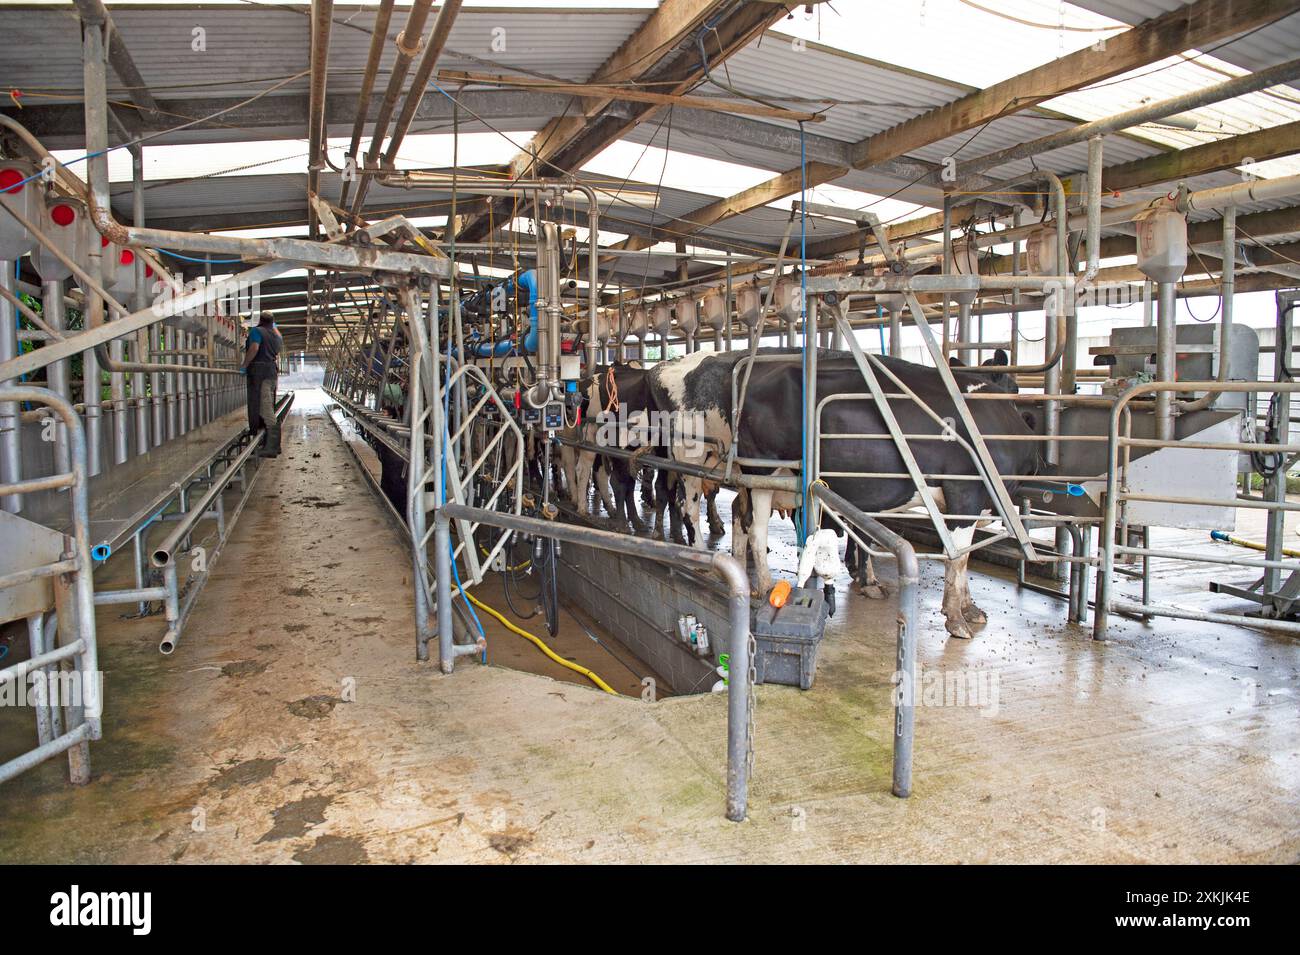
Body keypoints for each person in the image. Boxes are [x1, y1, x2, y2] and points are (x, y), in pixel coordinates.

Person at [239, 311, 283, 457]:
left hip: (260, 372)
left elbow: (254, 348)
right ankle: (269, 444)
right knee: (268, 404)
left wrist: (245, 364)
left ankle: (273, 447)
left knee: (264, 407)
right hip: (271, 372)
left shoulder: (256, 331)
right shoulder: (277, 335)